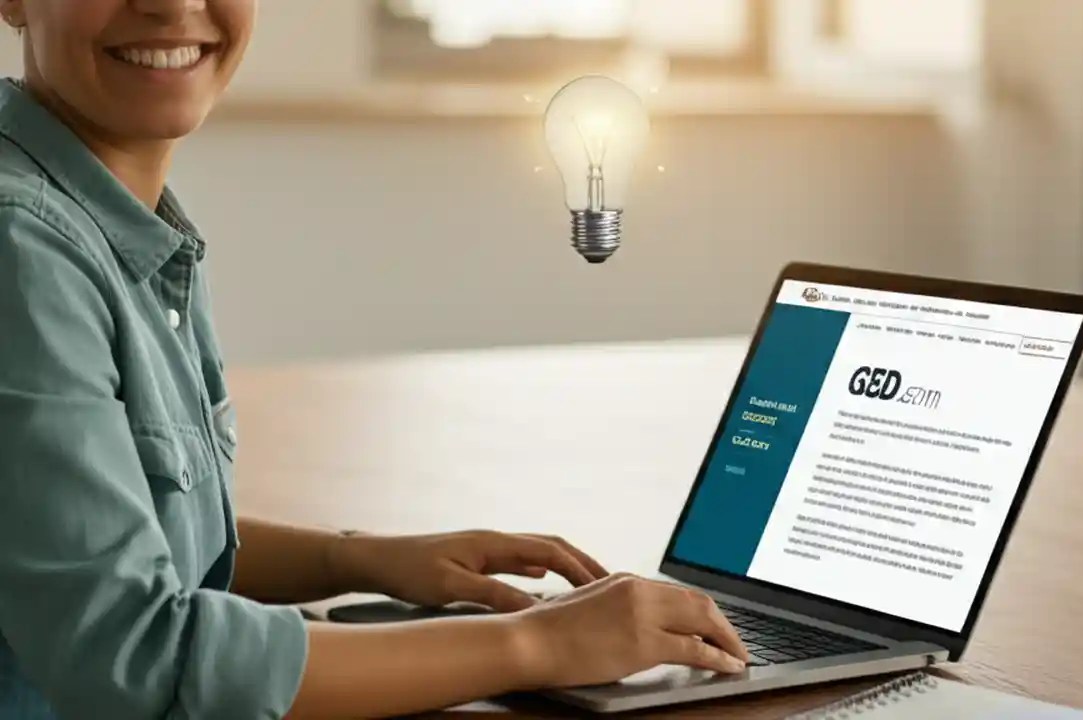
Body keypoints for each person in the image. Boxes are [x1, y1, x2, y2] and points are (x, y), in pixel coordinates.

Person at [0, 1, 748, 717]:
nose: (171, 3)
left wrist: (356, 561)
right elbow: (139, 661)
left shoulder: (109, 224)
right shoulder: (24, 252)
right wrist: (539, 642)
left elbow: (97, 541)